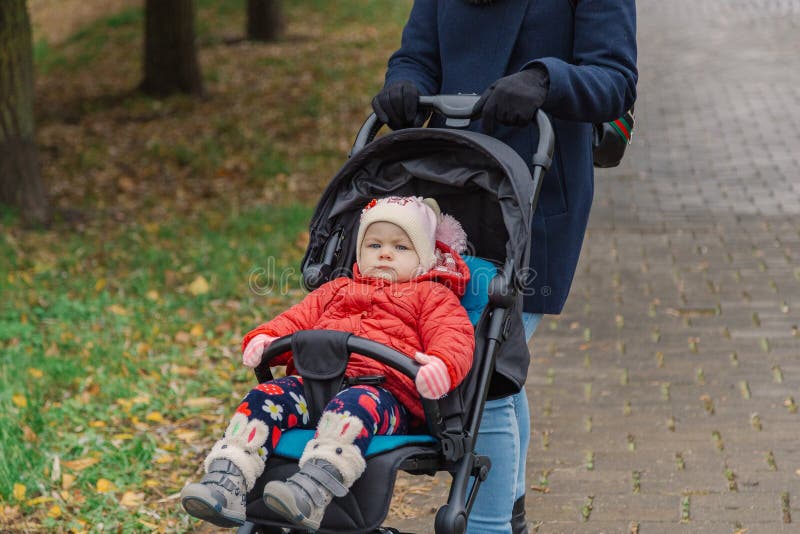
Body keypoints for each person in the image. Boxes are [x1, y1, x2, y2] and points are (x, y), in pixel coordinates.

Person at [371, 2, 638, 533]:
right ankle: (506, 517)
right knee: (497, 368)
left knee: (481, 370)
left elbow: (614, 80)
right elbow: (417, 56)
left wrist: (545, 78)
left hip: (538, 194)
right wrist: (404, 86)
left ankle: (488, 525)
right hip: (450, 191)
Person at [180, 196, 475, 531]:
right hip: (315, 388)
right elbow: (294, 320)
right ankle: (226, 481)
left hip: (383, 399)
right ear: (359, 252)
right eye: (374, 244)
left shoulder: (432, 296)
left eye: (401, 247)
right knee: (265, 396)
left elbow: (454, 337)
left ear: (424, 258)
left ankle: (311, 492)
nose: (385, 253)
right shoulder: (335, 290)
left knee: (354, 405)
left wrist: (442, 365)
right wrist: (266, 338)